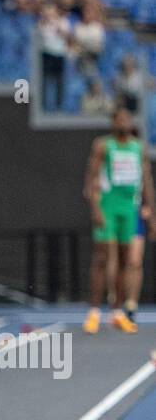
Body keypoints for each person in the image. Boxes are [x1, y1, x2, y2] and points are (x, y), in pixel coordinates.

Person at [83, 107, 156, 334]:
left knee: (126, 261)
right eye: (120, 119)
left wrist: (152, 215)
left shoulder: (138, 147)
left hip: (129, 209)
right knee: (103, 258)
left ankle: (118, 312)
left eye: (127, 118)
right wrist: (95, 208)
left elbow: (146, 182)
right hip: (108, 206)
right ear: (113, 122)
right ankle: (94, 311)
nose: (124, 122)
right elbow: (91, 180)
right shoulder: (103, 145)